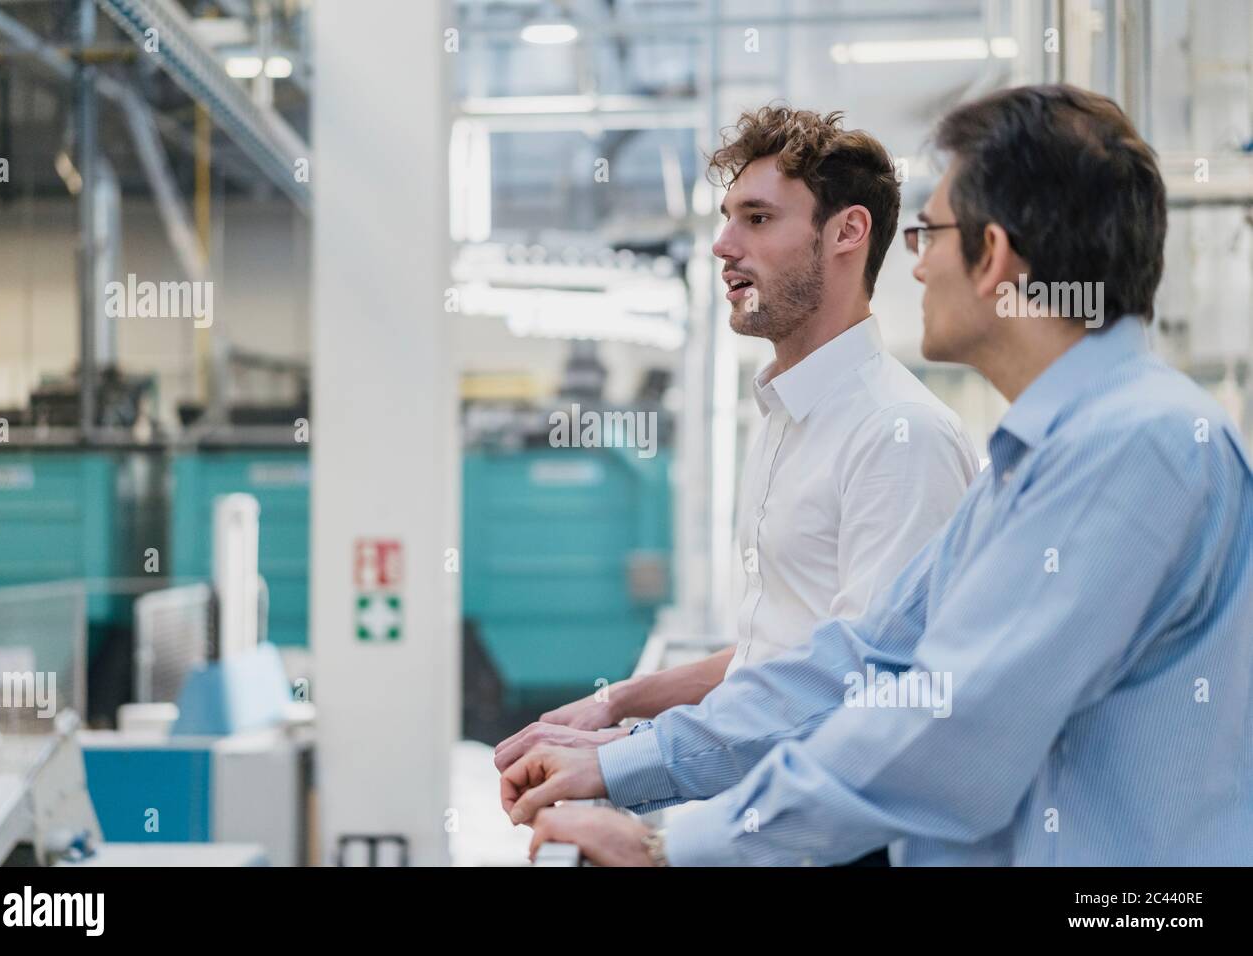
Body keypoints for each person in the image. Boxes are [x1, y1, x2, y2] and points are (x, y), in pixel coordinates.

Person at [501, 84, 1253, 866]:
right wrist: (625, 759)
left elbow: (954, 730)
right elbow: (860, 662)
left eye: (931, 233)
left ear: (991, 254)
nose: (918, 265)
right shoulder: (1035, 460)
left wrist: (669, 848)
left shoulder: (1132, 446)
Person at [494, 108, 978, 823]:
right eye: (727, 218)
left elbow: (861, 686)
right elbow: (780, 654)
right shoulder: (785, 420)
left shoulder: (898, 437)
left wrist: (620, 761)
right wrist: (617, 705)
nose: (723, 245)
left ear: (847, 232)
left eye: (756, 218)